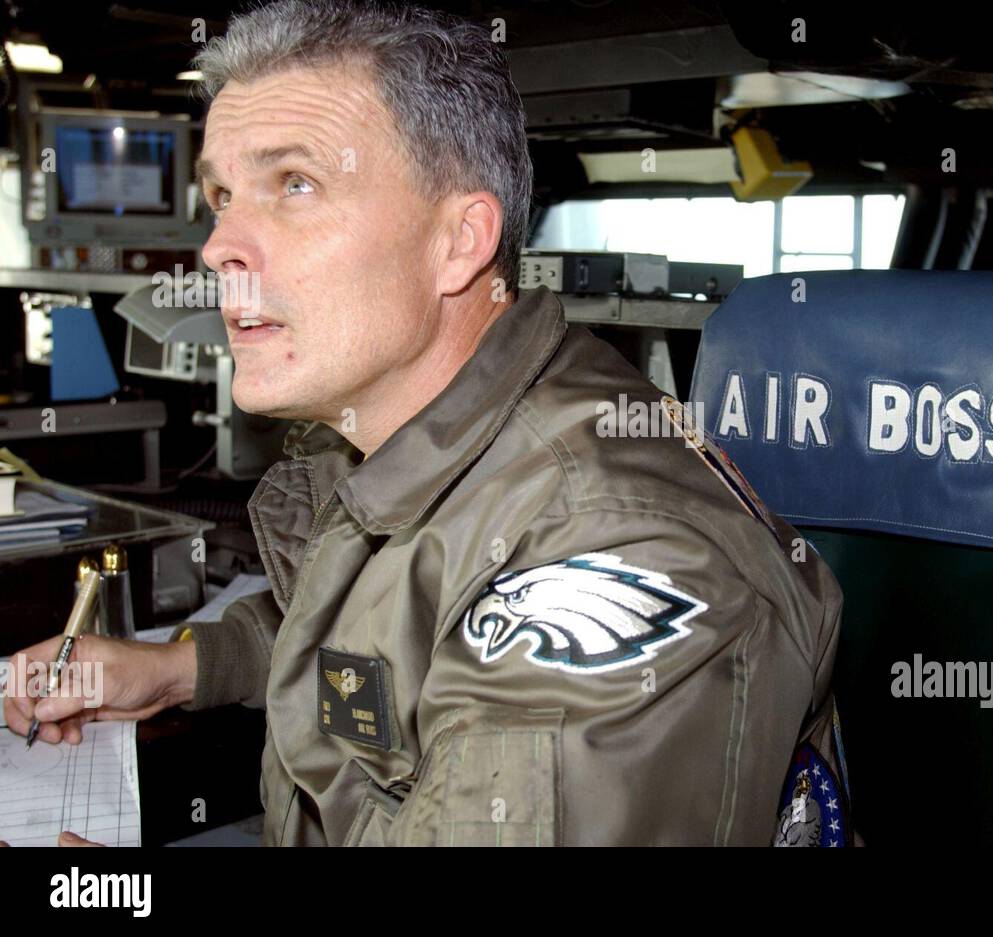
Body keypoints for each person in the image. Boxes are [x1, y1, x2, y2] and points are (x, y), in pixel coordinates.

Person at [2, 0, 847, 846]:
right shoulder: (391, 439)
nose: (219, 245)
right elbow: (381, 634)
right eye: (223, 196)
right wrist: (183, 669)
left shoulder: (614, 548)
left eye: (294, 184)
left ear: (460, 242)